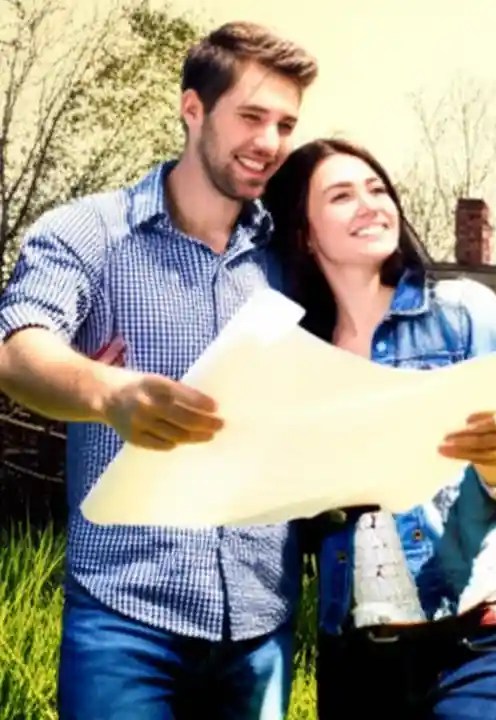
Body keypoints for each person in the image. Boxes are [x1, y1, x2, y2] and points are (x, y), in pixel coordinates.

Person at [0, 22, 318, 719]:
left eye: (286, 124)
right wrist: (105, 391)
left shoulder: (291, 256)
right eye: (252, 116)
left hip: (259, 619)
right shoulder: (88, 232)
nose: (270, 142)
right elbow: (20, 348)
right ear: (193, 109)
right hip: (125, 614)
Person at [260, 137, 496, 719]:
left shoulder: (465, 310)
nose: (370, 205)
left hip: (481, 638)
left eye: (378, 189)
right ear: (303, 233)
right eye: (341, 195)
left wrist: (494, 454)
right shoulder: (294, 357)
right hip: (359, 655)